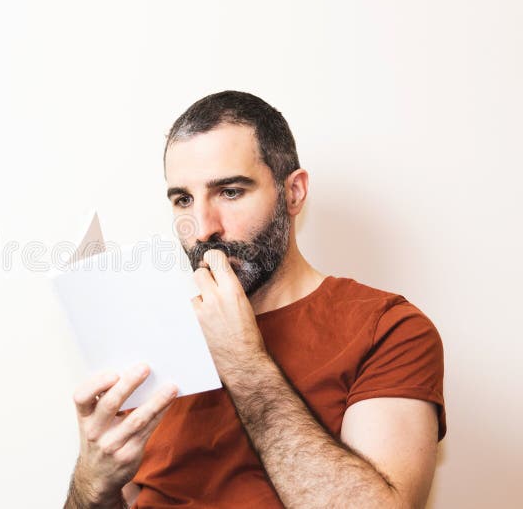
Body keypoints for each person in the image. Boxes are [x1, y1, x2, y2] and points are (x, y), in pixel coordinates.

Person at [63, 91, 446, 508]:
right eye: (183, 200)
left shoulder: (389, 329)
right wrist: (91, 485)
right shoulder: (155, 336)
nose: (203, 228)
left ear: (294, 193)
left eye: (229, 191)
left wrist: (243, 362)